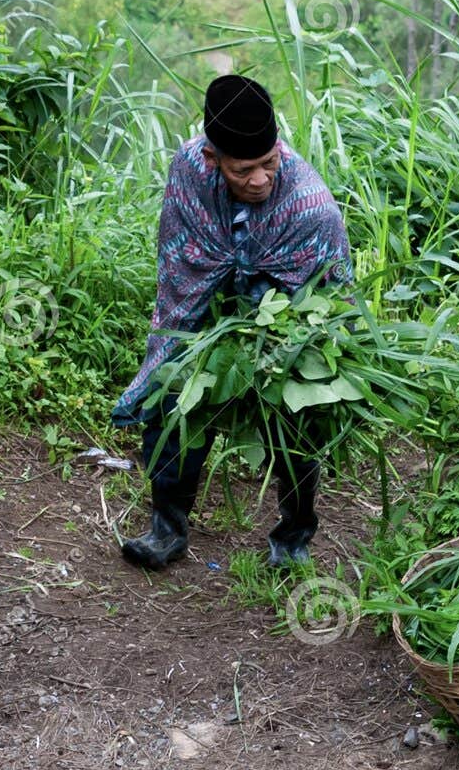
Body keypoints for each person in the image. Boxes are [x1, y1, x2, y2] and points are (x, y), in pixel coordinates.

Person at [112, 75, 353, 571]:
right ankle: (166, 529)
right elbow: (181, 263)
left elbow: (331, 301)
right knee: (171, 395)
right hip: (206, 316)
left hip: (281, 328)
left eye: (269, 164)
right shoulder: (188, 171)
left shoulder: (311, 208)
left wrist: (274, 338)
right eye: (244, 169)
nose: (261, 179)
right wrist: (202, 333)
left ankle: (293, 540)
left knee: (298, 417)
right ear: (211, 158)